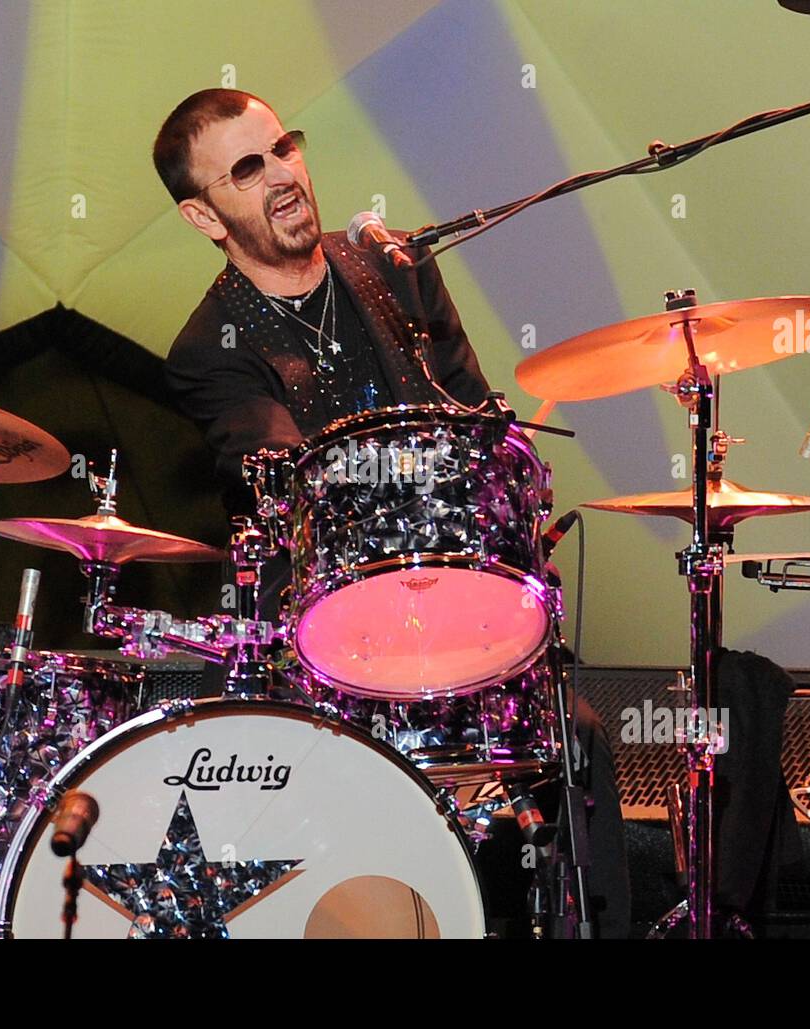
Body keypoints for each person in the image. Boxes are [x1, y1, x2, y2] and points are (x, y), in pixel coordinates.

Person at [155, 88, 630, 937]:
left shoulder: (393, 267)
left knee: (578, 733)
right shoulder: (207, 349)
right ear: (203, 216)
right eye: (248, 168)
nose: (284, 175)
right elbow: (297, 484)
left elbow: (479, 415)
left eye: (284, 147)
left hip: (460, 592)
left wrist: (504, 518)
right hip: (340, 638)